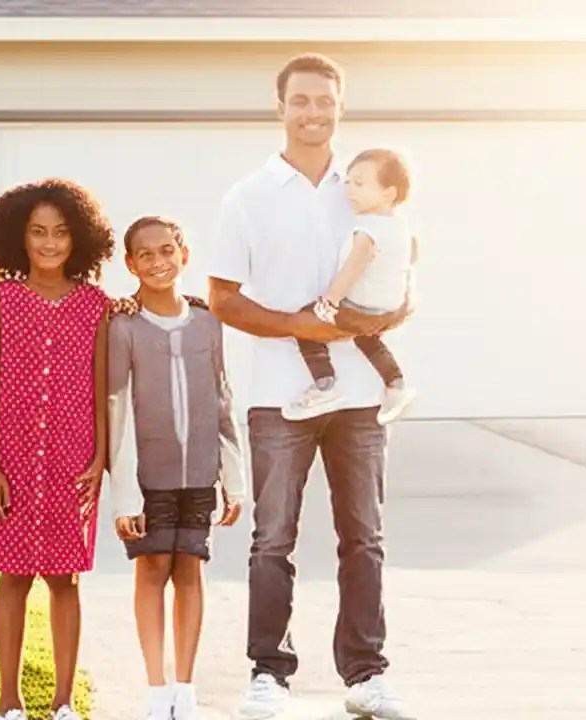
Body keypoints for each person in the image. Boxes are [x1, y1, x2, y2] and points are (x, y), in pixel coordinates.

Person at [206, 53, 417, 720]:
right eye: (301, 101)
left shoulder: (367, 185)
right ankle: (269, 673)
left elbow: (404, 274)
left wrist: (388, 315)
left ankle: (367, 674)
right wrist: (298, 325)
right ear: (281, 108)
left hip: (358, 401)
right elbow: (221, 299)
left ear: (340, 106)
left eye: (325, 100)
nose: (314, 112)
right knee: (273, 540)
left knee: (365, 540)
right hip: (278, 397)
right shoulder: (247, 197)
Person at [0, 178, 115, 720]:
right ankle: (9, 700)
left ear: (79, 238)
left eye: (60, 232)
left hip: (72, 460)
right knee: (13, 576)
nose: (51, 243)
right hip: (11, 458)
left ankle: (62, 701)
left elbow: (102, 388)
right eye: (38, 232)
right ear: (20, 237)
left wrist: (100, 457)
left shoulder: (97, 306)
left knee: (64, 578)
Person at [106, 216, 247, 720]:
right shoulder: (122, 327)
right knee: (152, 571)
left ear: (184, 254)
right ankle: (155, 687)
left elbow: (223, 400)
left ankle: (185, 688)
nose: (158, 262)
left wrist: (233, 479)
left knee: (190, 570)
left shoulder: (208, 323)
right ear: (129, 264)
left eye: (167, 250)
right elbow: (116, 411)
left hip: (199, 477)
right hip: (148, 479)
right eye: (145, 254)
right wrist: (125, 495)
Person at [285, 148, 419, 425]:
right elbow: (411, 256)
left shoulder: (368, 230)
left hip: (361, 308)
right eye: (348, 182)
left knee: (304, 326)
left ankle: (325, 386)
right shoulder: (399, 226)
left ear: (388, 193)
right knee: (366, 337)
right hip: (387, 308)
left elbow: (353, 268)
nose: (349, 190)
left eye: (359, 183)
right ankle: (396, 384)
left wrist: (330, 302)